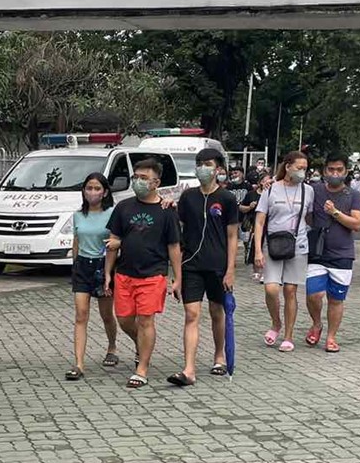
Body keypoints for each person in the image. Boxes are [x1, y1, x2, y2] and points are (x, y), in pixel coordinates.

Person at [105, 158, 182, 388]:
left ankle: (142, 369)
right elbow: (113, 241)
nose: (138, 181)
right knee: (124, 320)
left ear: (156, 182)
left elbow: (174, 246)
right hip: (124, 273)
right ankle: (142, 345)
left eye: (144, 178)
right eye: (135, 177)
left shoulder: (166, 211)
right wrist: (107, 273)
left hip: (153, 274)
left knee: (146, 319)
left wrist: (178, 278)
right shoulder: (123, 207)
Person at [169, 149, 239, 386]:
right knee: (191, 314)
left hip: (217, 265)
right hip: (191, 265)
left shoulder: (227, 198)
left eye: (207, 164)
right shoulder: (188, 197)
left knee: (216, 311)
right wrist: (177, 275)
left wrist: (230, 270)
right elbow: (178, 229)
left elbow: (232, 236)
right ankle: (189, 369)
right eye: (199, 163)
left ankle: (219, 356)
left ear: (218, 168)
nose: (202, 168)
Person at [304, 154, 360, 353]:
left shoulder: (353, 195)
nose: (335, 173)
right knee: (314, 294)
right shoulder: (314, 190)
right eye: (331, 169)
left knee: (336, 299)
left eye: (339, 170)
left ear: (346, 171)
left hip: (342, 254)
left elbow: (357, 224)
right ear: (324, 171)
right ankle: (316, 323)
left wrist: (335, 213)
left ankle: (331, 337)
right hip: (317, 252)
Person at [255, 151, 311, 352]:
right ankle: (276, 322)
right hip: (274, 244)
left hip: (298, 245)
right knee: (271, 288)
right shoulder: (271, 189)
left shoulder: (308, 191)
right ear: (288, 166)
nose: (302, 172)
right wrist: (258, 251)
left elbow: (311, 217)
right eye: (299, 168)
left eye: (305, 168)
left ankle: (288, 335)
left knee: (290, 290)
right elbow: (259, 221)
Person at [66, 173, 119, 380]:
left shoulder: (112, 213)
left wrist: (107, 273)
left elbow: (114, 243)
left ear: (105, 192)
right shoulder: (78, 215)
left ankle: (112, 347)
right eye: (89, 188)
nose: (92, 192)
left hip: (103, 265)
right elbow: (76, 240)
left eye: (97, 188)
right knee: (81, 315)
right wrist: (74, 265)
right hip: (82, 266)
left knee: (106, 314)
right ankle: (79, 363)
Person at [240, 174, 270, 274]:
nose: (267, 183)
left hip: (268, 225)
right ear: (260, 182)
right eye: (265, 181)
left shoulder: (272, 194)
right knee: (253, 247)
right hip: (253, 225)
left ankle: (265, 271)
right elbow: (241, 208)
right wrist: (249, 207)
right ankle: (256, 270)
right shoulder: (251, 194)